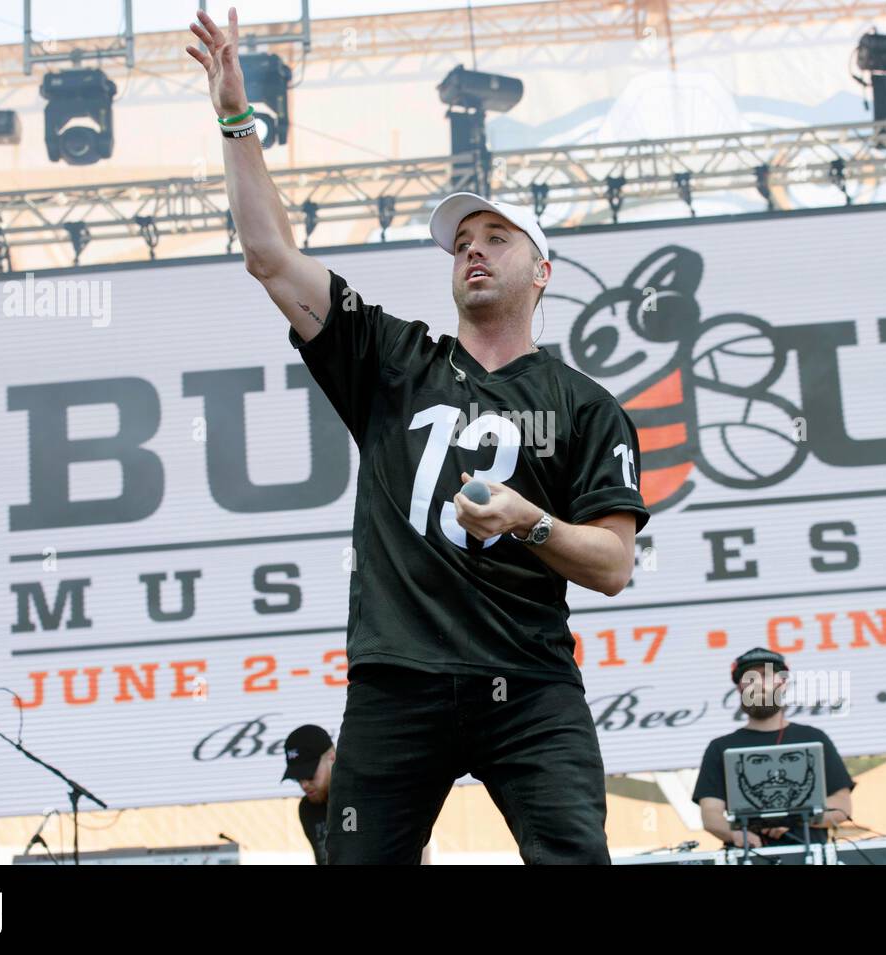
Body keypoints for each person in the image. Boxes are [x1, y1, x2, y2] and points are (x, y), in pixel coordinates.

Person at [187, 9, 649, 864]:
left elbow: (614, 566)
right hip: (398, 683)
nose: (472, 251)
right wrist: (235, 118)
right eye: (462, 242)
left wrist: (527, 520)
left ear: (540, 270)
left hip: (531, 686)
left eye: (495, 238)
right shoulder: (392, 357)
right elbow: (268, 255)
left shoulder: (584, 405)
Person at [692, 648, 854, 851]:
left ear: (783, 684)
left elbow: (842, 805)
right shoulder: (720, 747)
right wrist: (736, 834)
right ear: (739, 688)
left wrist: (793, 820)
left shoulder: (813, 738)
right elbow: (711, 814)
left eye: (766, 676)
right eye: (750, 679)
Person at [280, 725, 335, 865]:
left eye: (309, 775)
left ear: (332, 758)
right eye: (298, 777)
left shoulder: (356, 801)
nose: (304, 784)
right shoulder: (308, 809)